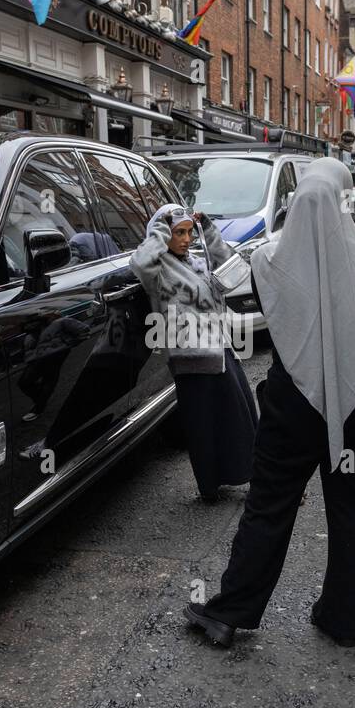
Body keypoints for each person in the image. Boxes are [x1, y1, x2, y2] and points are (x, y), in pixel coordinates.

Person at [184, 158, 355, 649]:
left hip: (293, 399)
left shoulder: (268, 259)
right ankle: (343, 620)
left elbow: (267, 306)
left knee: (269, 505)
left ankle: (230, 611)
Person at [130, 204, 257, 502]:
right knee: (203, 425)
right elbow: (140, 264)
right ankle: (211, 486)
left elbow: (233, 274)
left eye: (189, 232)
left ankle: (253, 478)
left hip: (221, 347)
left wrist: (209, 232)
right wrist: (161, 229)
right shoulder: (158, 267)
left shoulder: (196, 262)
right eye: (179, 233)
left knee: (240, 415)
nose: (186, 239)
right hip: (190, 356)